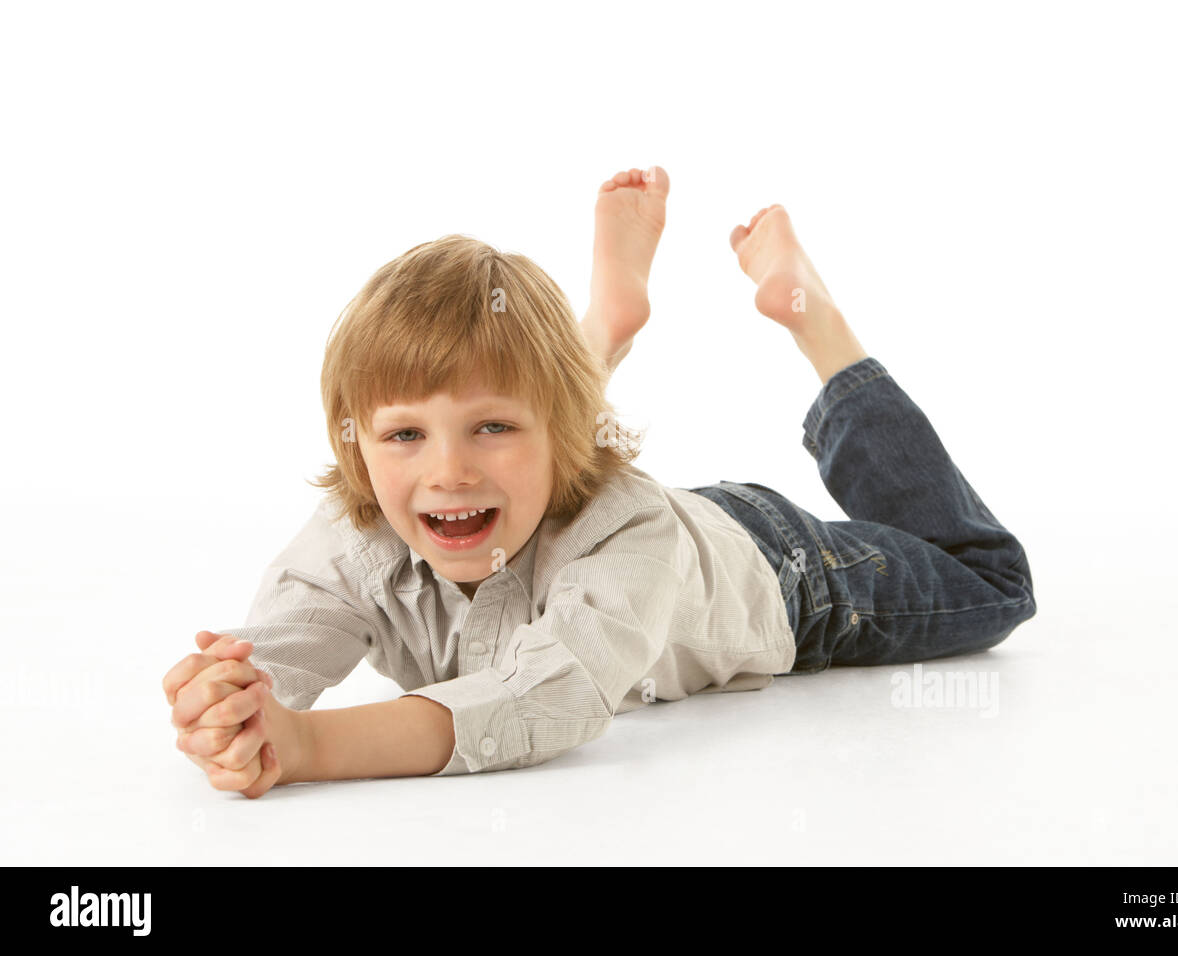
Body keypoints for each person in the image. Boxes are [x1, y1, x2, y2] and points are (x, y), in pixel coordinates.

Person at [162, 166, 1036, 798]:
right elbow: (280, 641)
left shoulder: (630, 534)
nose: (446, 471)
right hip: (618, 506)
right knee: (526, 426)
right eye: (403, 435)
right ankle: (605, 324)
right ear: (357, 448)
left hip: (777, 571)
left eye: (489, 427)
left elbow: (550, 696)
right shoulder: (359, 528)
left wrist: (308, 746)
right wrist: (234, 706)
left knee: (989, 577)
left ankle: (817, 317)